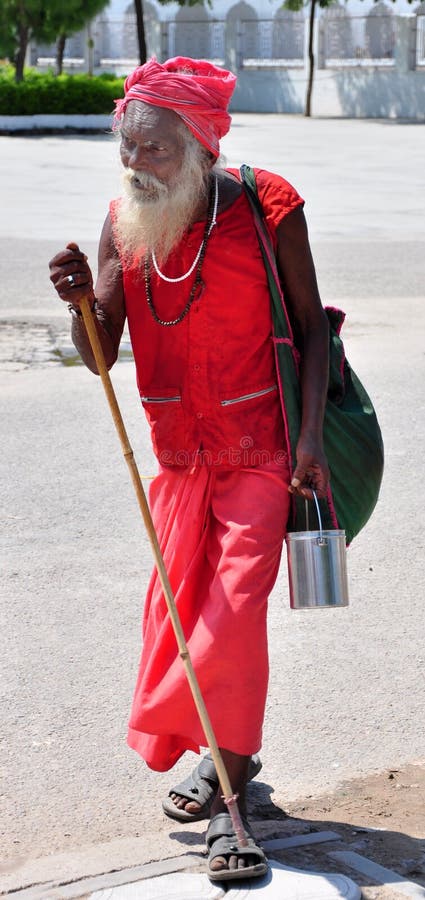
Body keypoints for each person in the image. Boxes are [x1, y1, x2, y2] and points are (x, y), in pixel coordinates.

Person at [49, 56, 330, 882]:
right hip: (177, 457)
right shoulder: (122, 222)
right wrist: (77, 305)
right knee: (180, 621)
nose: (138, 165)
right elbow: (100, 355)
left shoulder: (266, 207)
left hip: (261, 450)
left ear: (201, 144)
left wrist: (308, 439)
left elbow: (312, 330)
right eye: (127, 148)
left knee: (232, 617)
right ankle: (232, 760)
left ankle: (234, 811)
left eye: (156, 150)